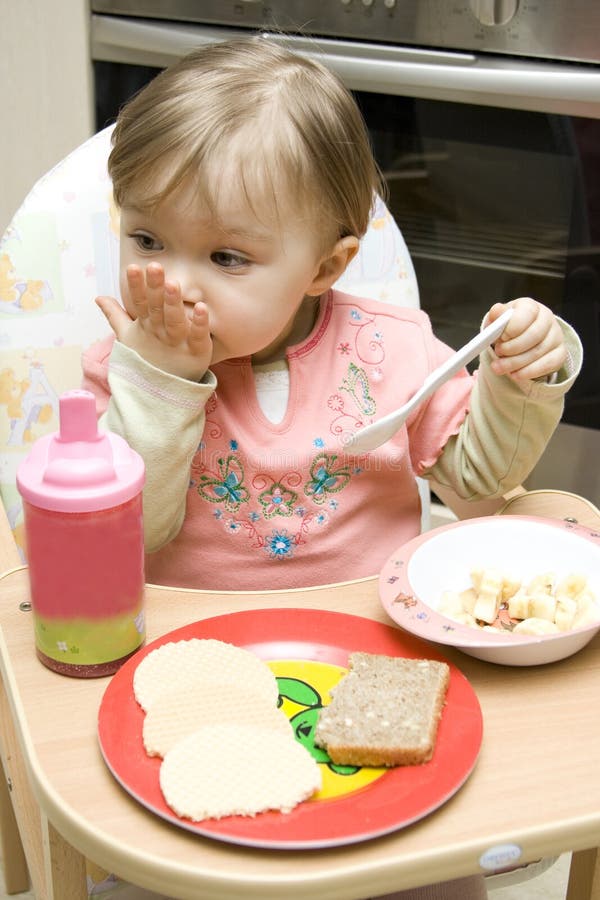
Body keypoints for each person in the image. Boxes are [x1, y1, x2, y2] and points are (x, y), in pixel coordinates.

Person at [82, 36, 581, 900]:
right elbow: (132, 536)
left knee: (429, 862)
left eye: (226, 257)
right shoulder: (126, 366)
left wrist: (521, 378)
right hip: (191, 669)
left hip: (373, 665)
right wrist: (162, 380)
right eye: (147, 238)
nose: (175, 283)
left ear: (325, 266)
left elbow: (474, 484)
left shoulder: (390, 348)